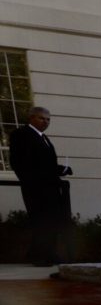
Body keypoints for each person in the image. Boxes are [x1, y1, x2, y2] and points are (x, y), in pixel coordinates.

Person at [9, 106, 73, 265]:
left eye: (48, 119)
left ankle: (48, 254)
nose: (45, 122)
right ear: (31, 118)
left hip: (50, 187)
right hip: (36, 188)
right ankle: (41, 257)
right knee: (41, 221)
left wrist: (61, 169)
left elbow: (45, 163)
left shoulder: (43, 138)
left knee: (52, 221)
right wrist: (32, 181)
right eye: (42, 118)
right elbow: (21, 162)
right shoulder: (21, 135)